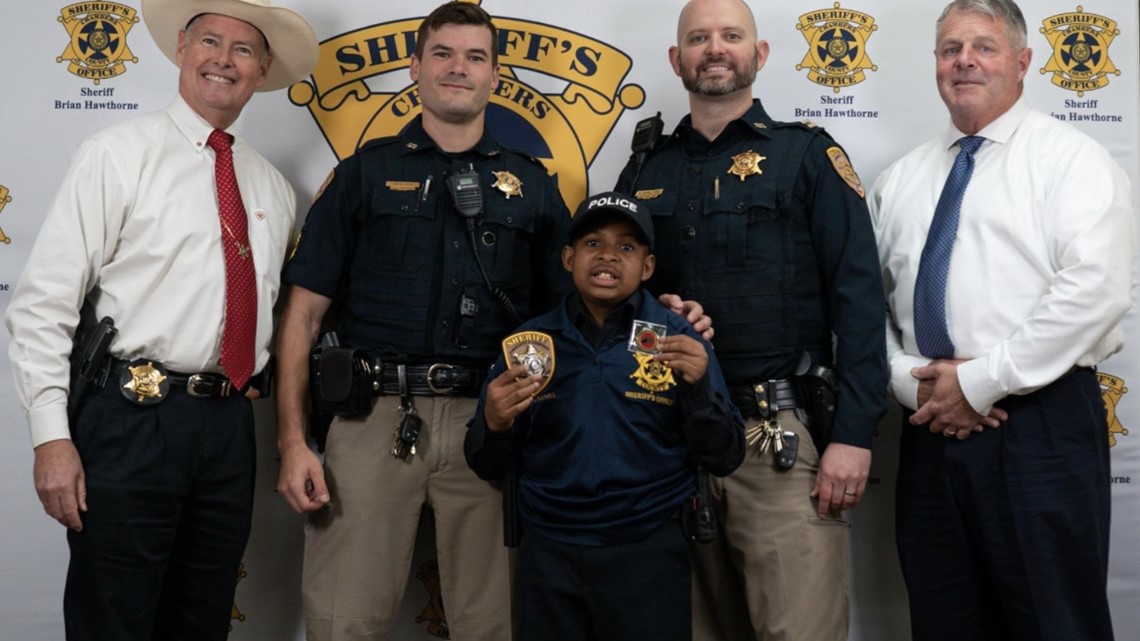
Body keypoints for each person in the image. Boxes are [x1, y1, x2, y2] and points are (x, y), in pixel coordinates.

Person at [4, 0, 318, 639]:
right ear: (181, 48)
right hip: (128, 421)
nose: (222, 60)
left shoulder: (272, 189)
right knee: (112, 621)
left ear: (262, 70)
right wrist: (50, 436)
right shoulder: (117, 153)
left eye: (242, 50)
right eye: (210, 41)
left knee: (201, 623)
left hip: (229, 425)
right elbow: (44, 303)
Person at [273, 3, 573, 639]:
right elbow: (301, 317)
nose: (457, 68)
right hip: (371, 416)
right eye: (442, 53)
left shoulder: (534, 186)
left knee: (494, 626)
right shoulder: (362, 175)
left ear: (496, 75)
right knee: (343, 622)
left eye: (475, 57)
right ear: (415, 67)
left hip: (490, 424)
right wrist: (294, 441)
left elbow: (568, 320)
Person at [615, 1, 889, 639]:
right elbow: (617, 306)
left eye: (731, 36)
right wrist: (661, 319)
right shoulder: (645, 169)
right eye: (699, 37)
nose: (715, 48)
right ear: (677, 59)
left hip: (778, 440)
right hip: (668, 443)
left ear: (758, 55)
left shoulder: (807, 157)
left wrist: (854, 435)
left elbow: (860, 298)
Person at [869, 1, 1132, 639]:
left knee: (1054, 620)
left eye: (983, 47)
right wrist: (913, 383)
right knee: (944, 618)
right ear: (934, 64)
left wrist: (982, 380)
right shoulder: (900, 181)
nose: (964, 61)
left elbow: (1095, 289)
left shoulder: (1072, 160)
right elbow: (865, 309)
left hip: (1038, 422)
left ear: (1022, 61)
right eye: (949, 48)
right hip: (929, 427)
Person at [465, 192, 745, 641]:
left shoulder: (679, 338)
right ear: (568, 257)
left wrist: (698, 390)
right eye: (594, 243)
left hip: (648, 550)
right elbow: (485, 463)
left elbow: (725, 456)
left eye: (628, 247)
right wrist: (494, 425)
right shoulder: (529, 343)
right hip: (548, 553)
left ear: (648, 267)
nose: (609, 256)